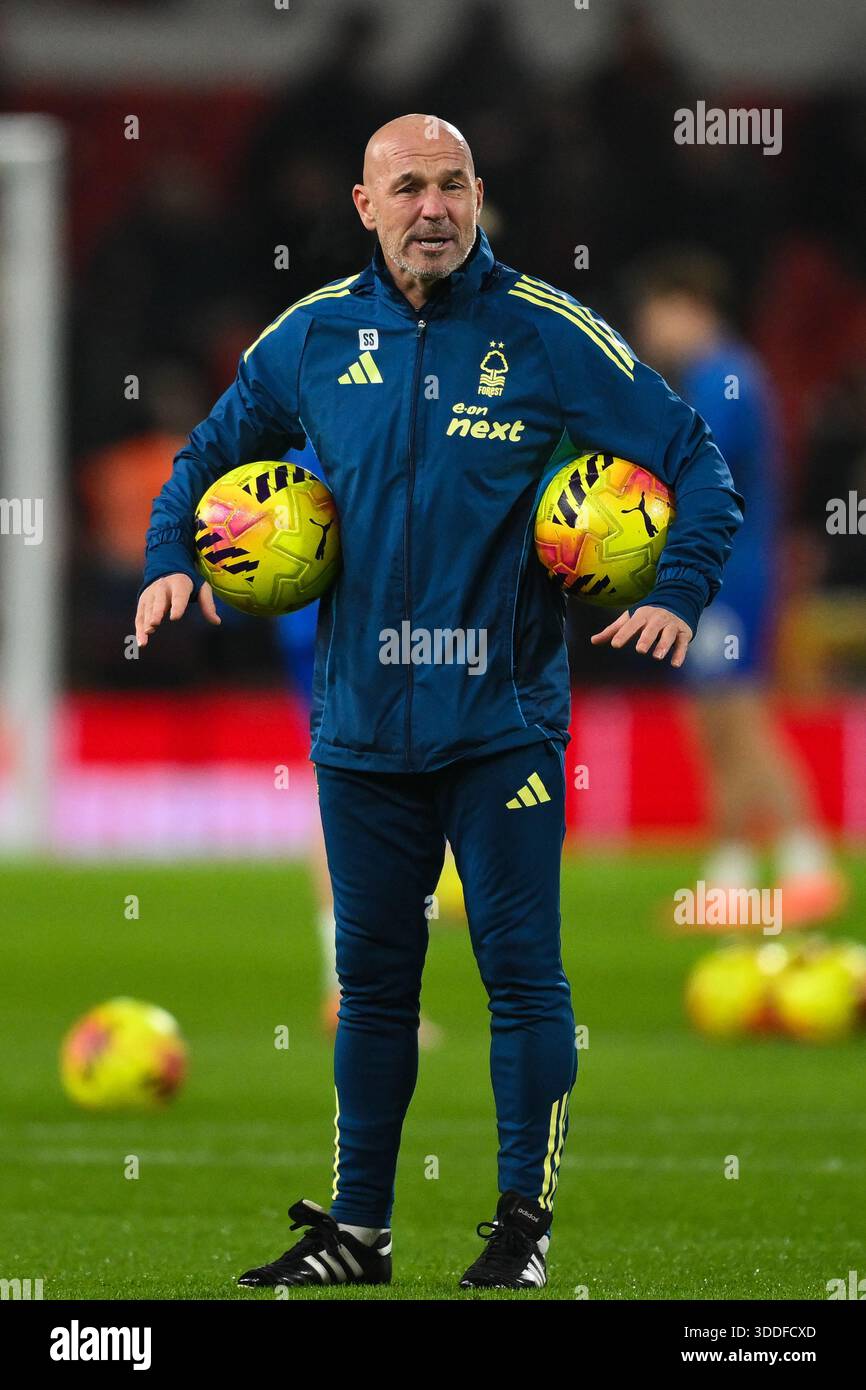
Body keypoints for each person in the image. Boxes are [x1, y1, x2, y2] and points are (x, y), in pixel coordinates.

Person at [135, 116, 742, 1291]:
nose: (432, 206)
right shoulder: (310, 337)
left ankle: (521, 1227)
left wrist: (678, 584)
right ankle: (358, 1230)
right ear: (364, 207)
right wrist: (171, 553)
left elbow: (693, 458)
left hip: (500, 720)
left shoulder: (548, 335)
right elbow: (203, 453)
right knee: (371, 985)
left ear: (477, 197)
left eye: (452, 183)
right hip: (361, 728)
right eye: (406, 186)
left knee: (521, 978)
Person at [629, 249, 846, 925]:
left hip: (731, 575)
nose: (648, 330)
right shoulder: (717, 376)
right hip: (716, 573)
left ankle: (807, 860)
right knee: (711, 723)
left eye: (656, 313)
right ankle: (730, 874)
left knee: (740, 717)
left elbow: (694, 472)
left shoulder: (726, 378)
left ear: (690, 306)